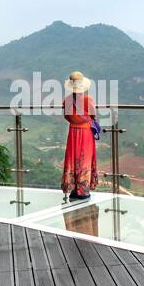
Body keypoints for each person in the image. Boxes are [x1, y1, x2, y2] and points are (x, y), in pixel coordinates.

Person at [60, 70, 98, 200]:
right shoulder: (88, 100)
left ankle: (73, 189)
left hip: (73, 132)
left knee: (72, 159)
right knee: (85, 159)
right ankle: (83, 191)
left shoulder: (67, 101)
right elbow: (93, 115)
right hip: (86, 133)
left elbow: (67, 117)